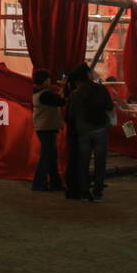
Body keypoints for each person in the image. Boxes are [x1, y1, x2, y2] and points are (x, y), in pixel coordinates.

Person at [72, 65, 113, 203]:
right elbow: (110, 106)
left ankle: (84, 192)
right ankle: (98, 193)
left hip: (83, 130)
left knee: (83, 162)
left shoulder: (75, 94)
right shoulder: (101, 89)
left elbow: (72, 114)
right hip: (100, 128)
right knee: (100, 163)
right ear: (89, 75)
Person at [30, 69, 65, 192]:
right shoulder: (45, 94)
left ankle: (55, 183)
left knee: (50, 156)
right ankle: (39, 184)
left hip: (45, 127)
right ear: (44, 80)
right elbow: (61, 101)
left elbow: (58, 100)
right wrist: (65, 87)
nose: (50, 80)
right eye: (48, 78)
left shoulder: (40, 93)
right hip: (46, 127)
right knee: (47, 157)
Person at [61, 68, 85, 200]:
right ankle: (75, 188)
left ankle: (72, 188)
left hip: (73, 128)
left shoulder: (71, 92)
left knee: (73, 157)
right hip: (78, 129)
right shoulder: (77, 94)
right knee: (77, 158)